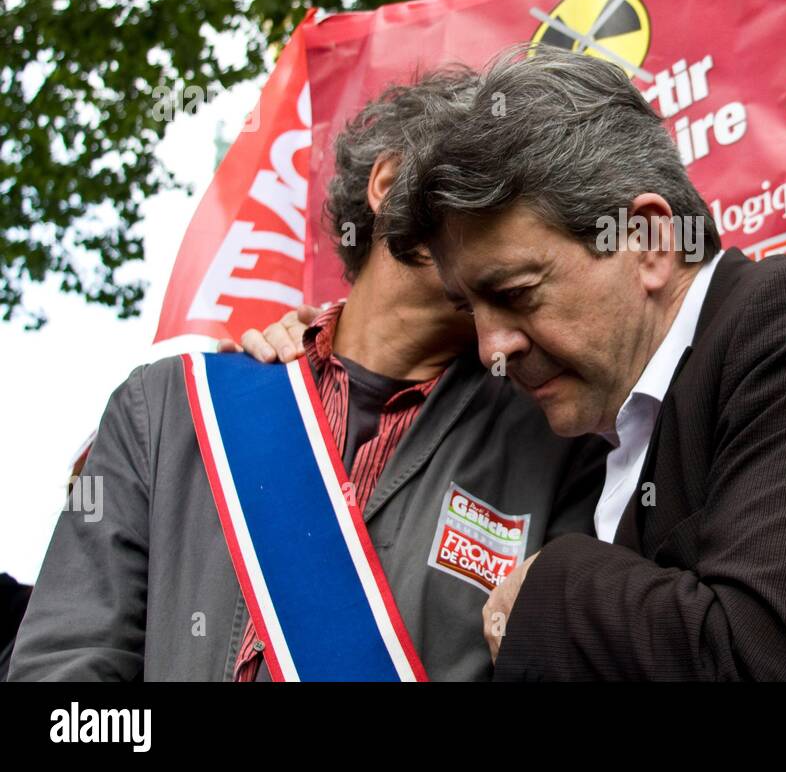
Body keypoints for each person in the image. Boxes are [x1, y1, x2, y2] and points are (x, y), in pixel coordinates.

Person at [381, 46, 786, 680]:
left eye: (516, 293)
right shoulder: (607, 437)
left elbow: (769, 661)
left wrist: (547, 590)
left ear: (651, 240)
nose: (493, 347)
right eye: (470, 310)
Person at [8, 71, 606, 682]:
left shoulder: (562, 446)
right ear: (390, 184)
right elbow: (63, 673)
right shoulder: (169, 406)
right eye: (480, 191)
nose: (507, 220)